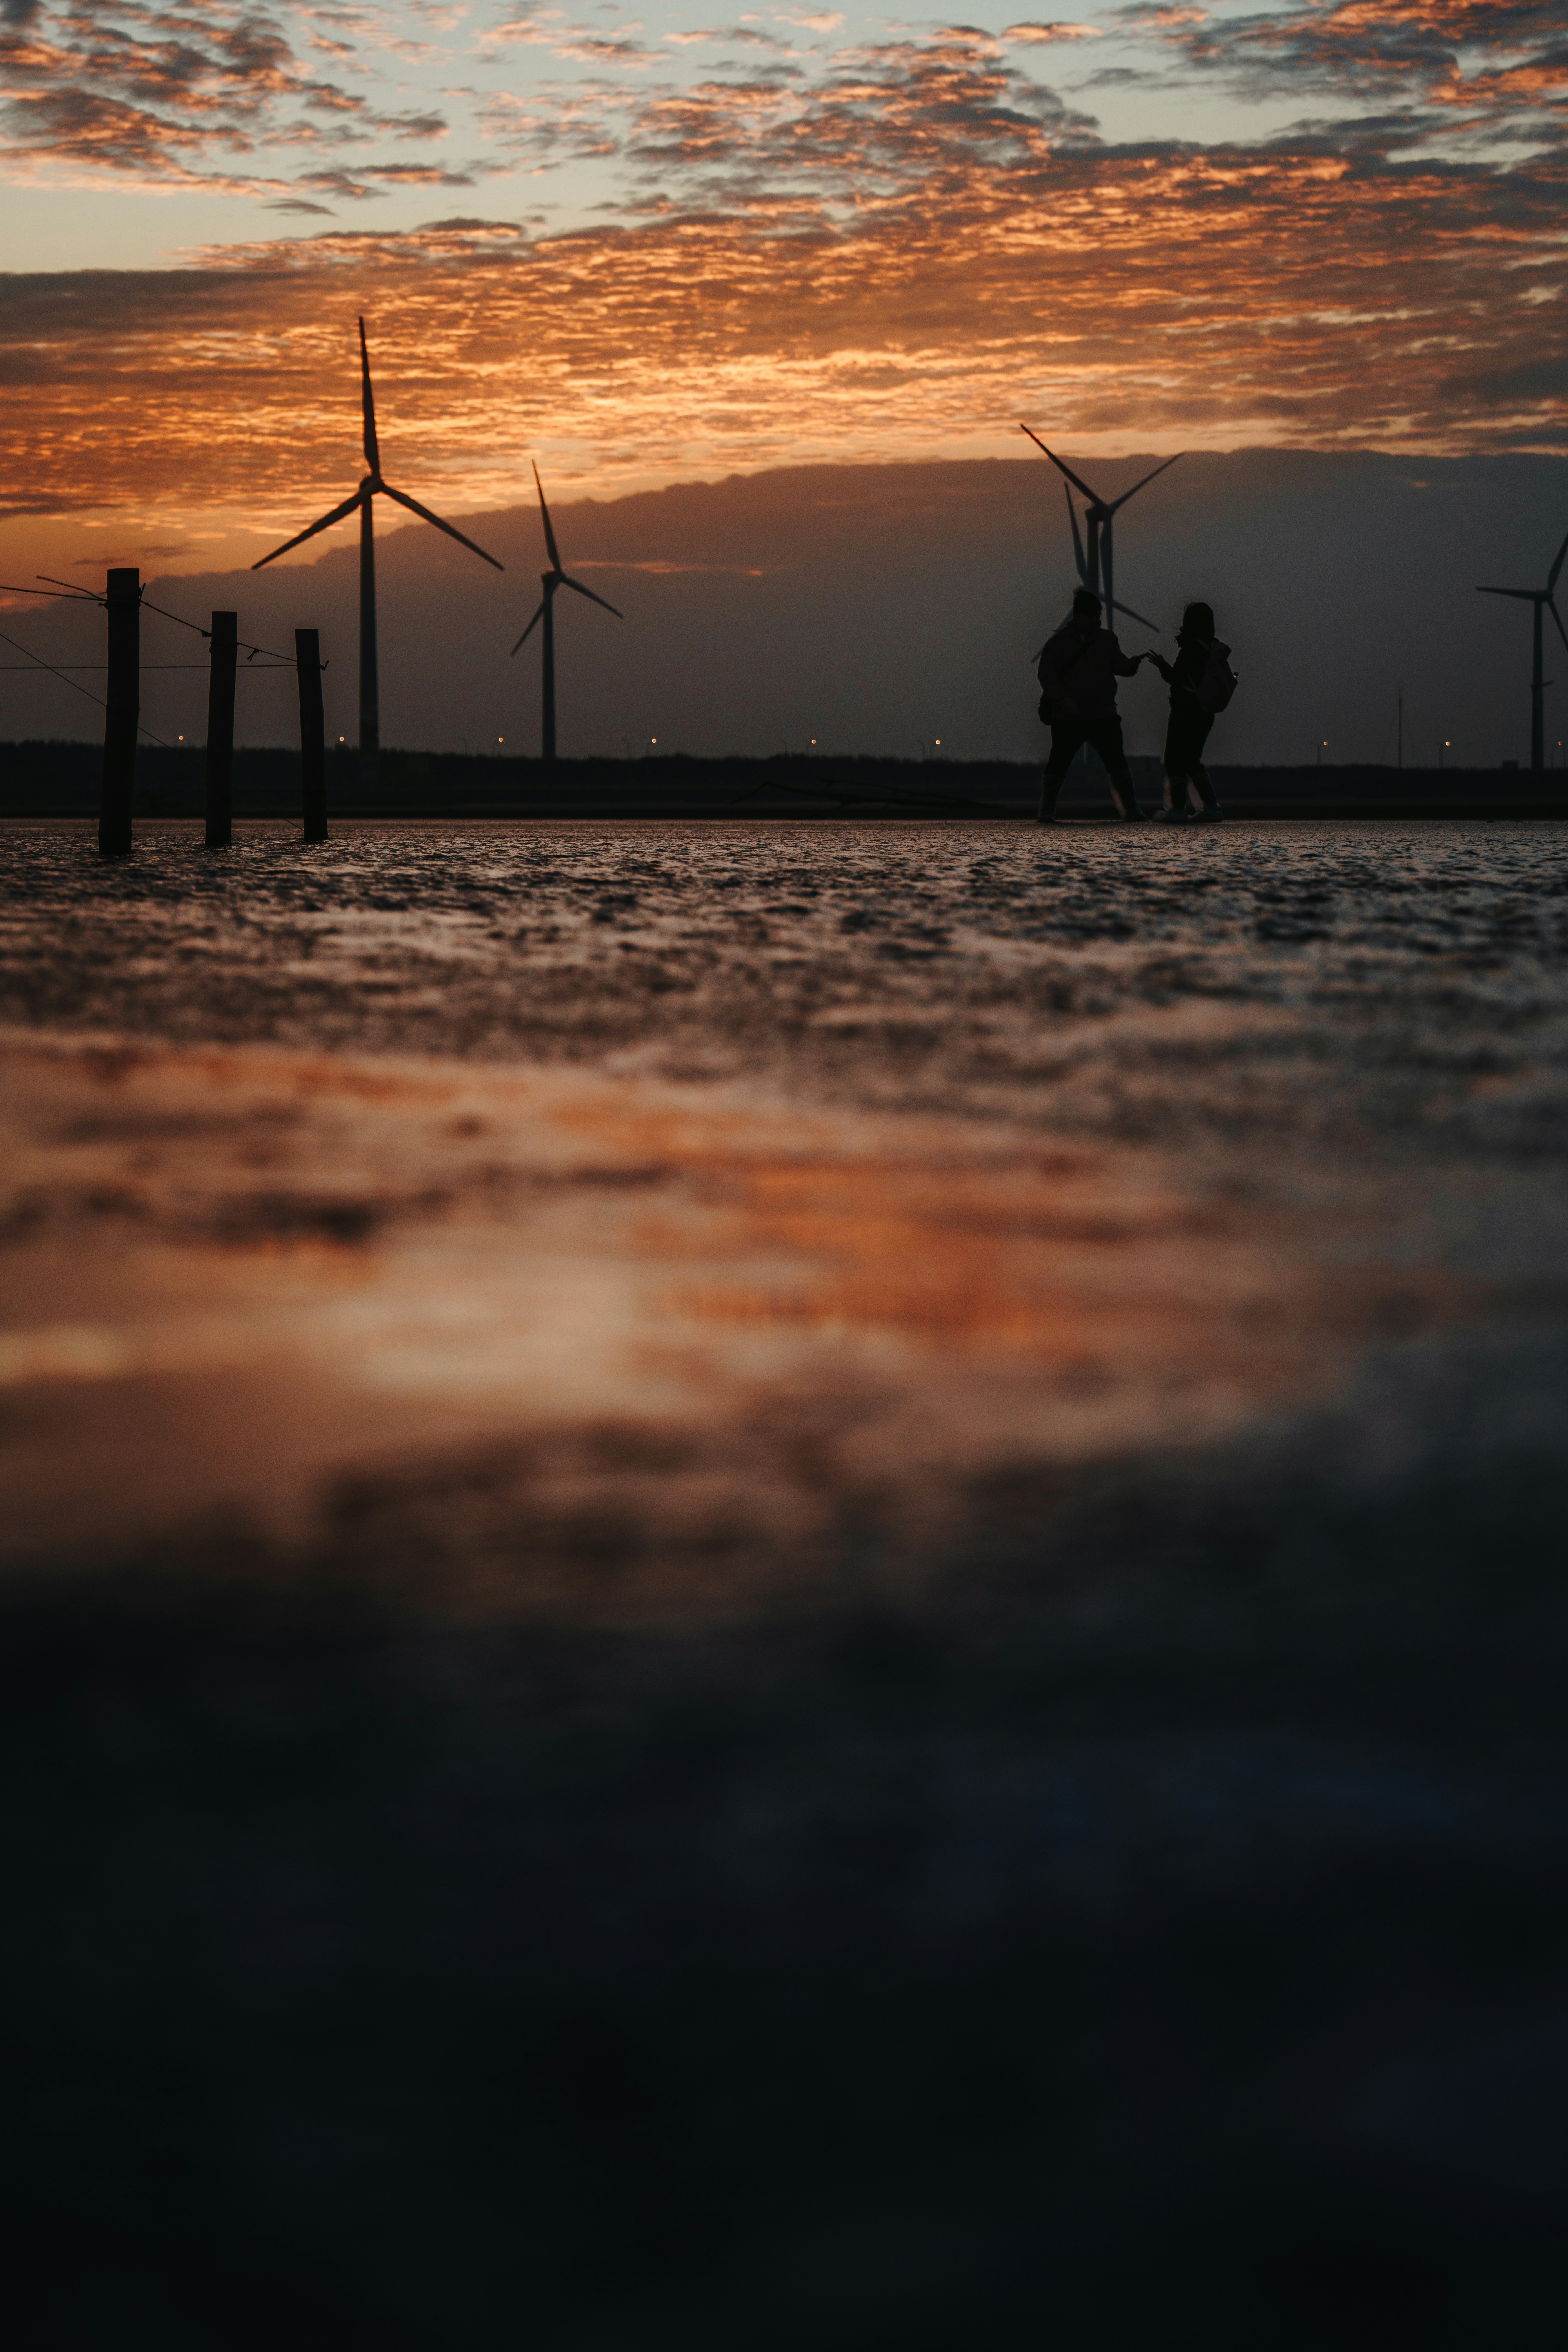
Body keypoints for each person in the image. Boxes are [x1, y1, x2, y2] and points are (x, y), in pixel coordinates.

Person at [1035, 587, 1148, 823]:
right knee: (1058, 764)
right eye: (1092, 616)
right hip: (1069, 717)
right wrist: (1063, 699)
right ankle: (1046, 810)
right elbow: (1047, 675)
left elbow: (1118, 665)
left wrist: (1131, 665)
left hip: (1103, 713)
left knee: (1117, 762)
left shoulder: (1108, 640)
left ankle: (1131, 809)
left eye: (1099, 616)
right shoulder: (1058, 644)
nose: (1097, 620)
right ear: (1078, 616)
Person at [1148, 602, 1226, 822]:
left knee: (1174, 759)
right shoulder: (1212, 649)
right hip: (1205, 712)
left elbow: (1176, 678)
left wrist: (1162, 665)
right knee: (1192, 759)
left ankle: (1177, 810)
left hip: (1185, 711)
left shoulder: (1191, 649)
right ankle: (1212, 807)